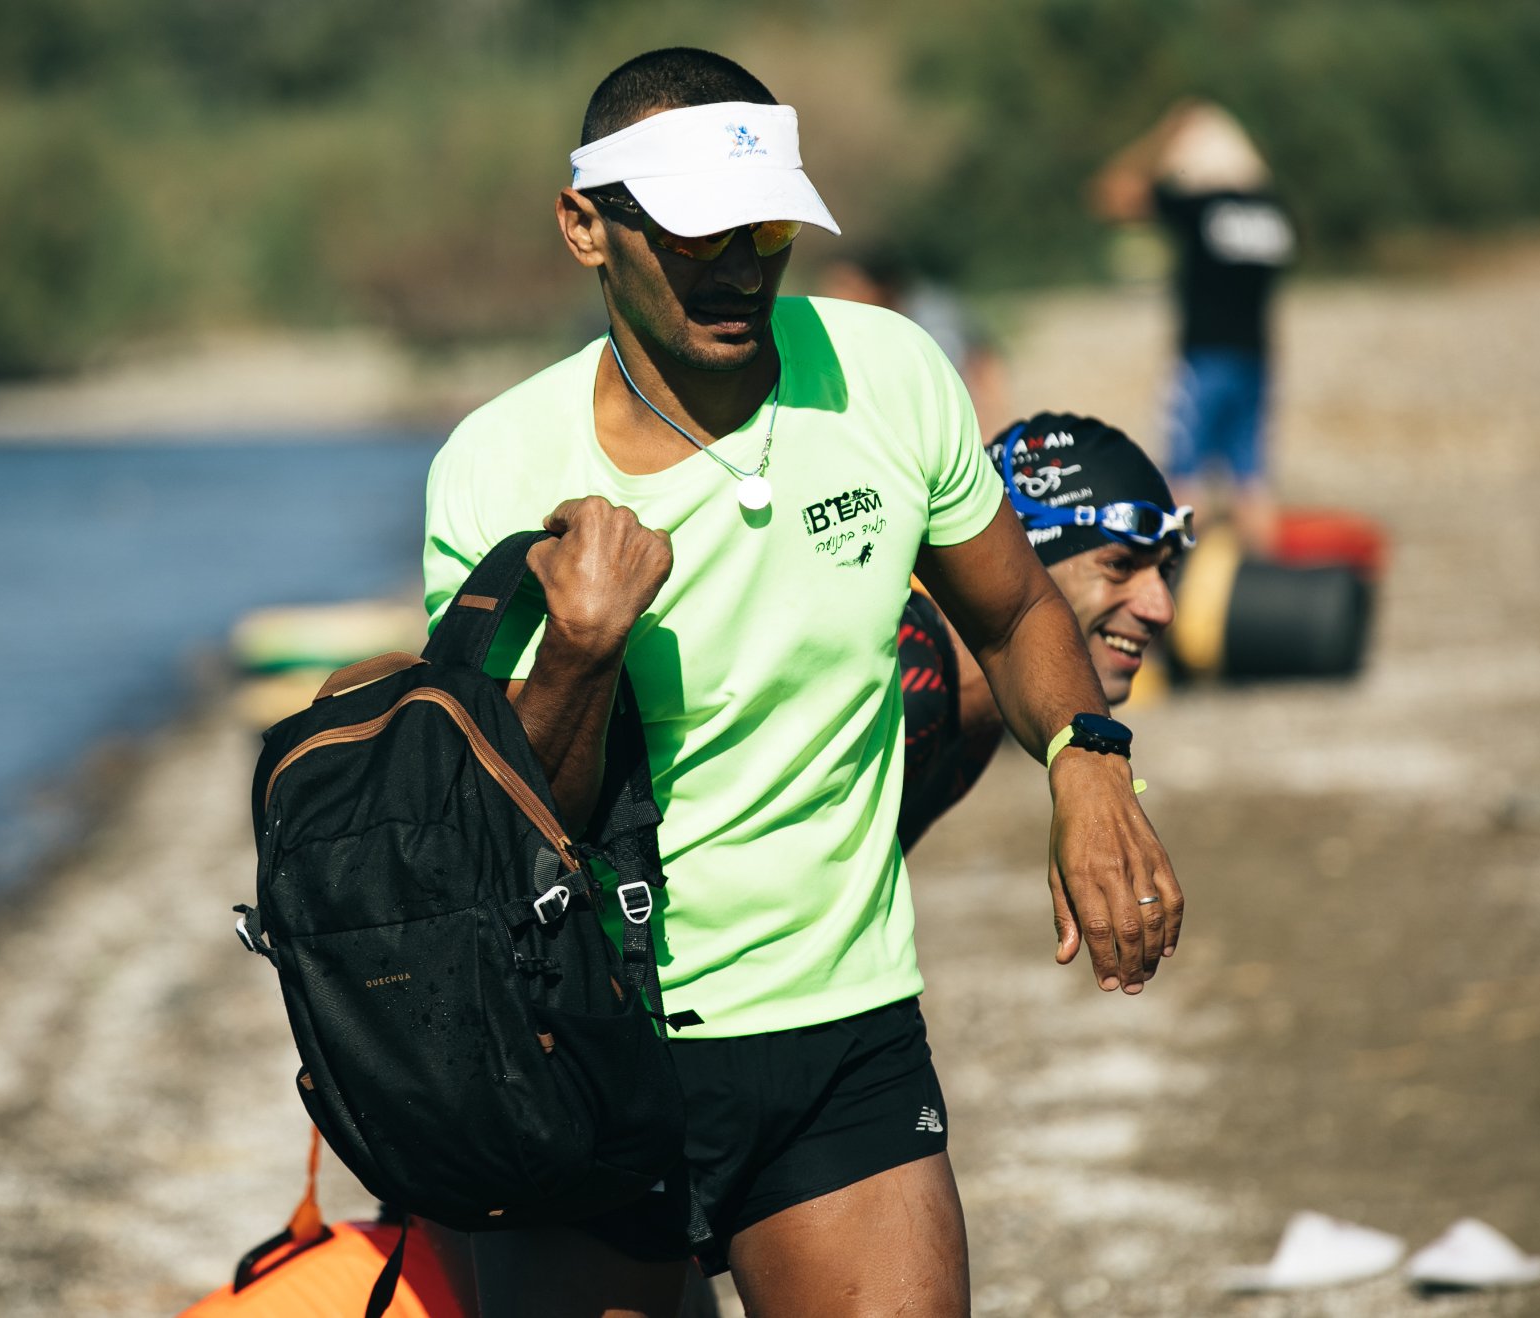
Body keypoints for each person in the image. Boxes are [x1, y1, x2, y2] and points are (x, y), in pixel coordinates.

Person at [421, 48, 1182, 1318]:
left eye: (767, 226)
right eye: (696, 233)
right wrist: (578, 656)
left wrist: (1088, 762)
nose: (739, 265)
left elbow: (1014, 606)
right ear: (585, 229)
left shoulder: (887, 373)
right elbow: (496, 827)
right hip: (590, 1045)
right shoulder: (495, 467)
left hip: (844, 1036)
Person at [899, 412, 1191, 852]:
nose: (1162, 609)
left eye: (1164, 570)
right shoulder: (906, 683)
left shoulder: (982, 712)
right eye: (1119, 566)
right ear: (1021, 558)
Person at [1090, 100, 1293, 556]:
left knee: (1183, 475)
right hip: (1257, 358)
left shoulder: (1200, 206)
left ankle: (1175, 580)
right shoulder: (1273, 211)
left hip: (1204, 355)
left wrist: (1159, 139)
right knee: (1251, 479)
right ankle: (1261, 583)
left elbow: (1112, 192)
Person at [817, 245, 1012, 436]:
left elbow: (982, 368)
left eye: (846, 285)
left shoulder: (932, 323)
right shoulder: (862, 325)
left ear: (881, 286)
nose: (834, 296)